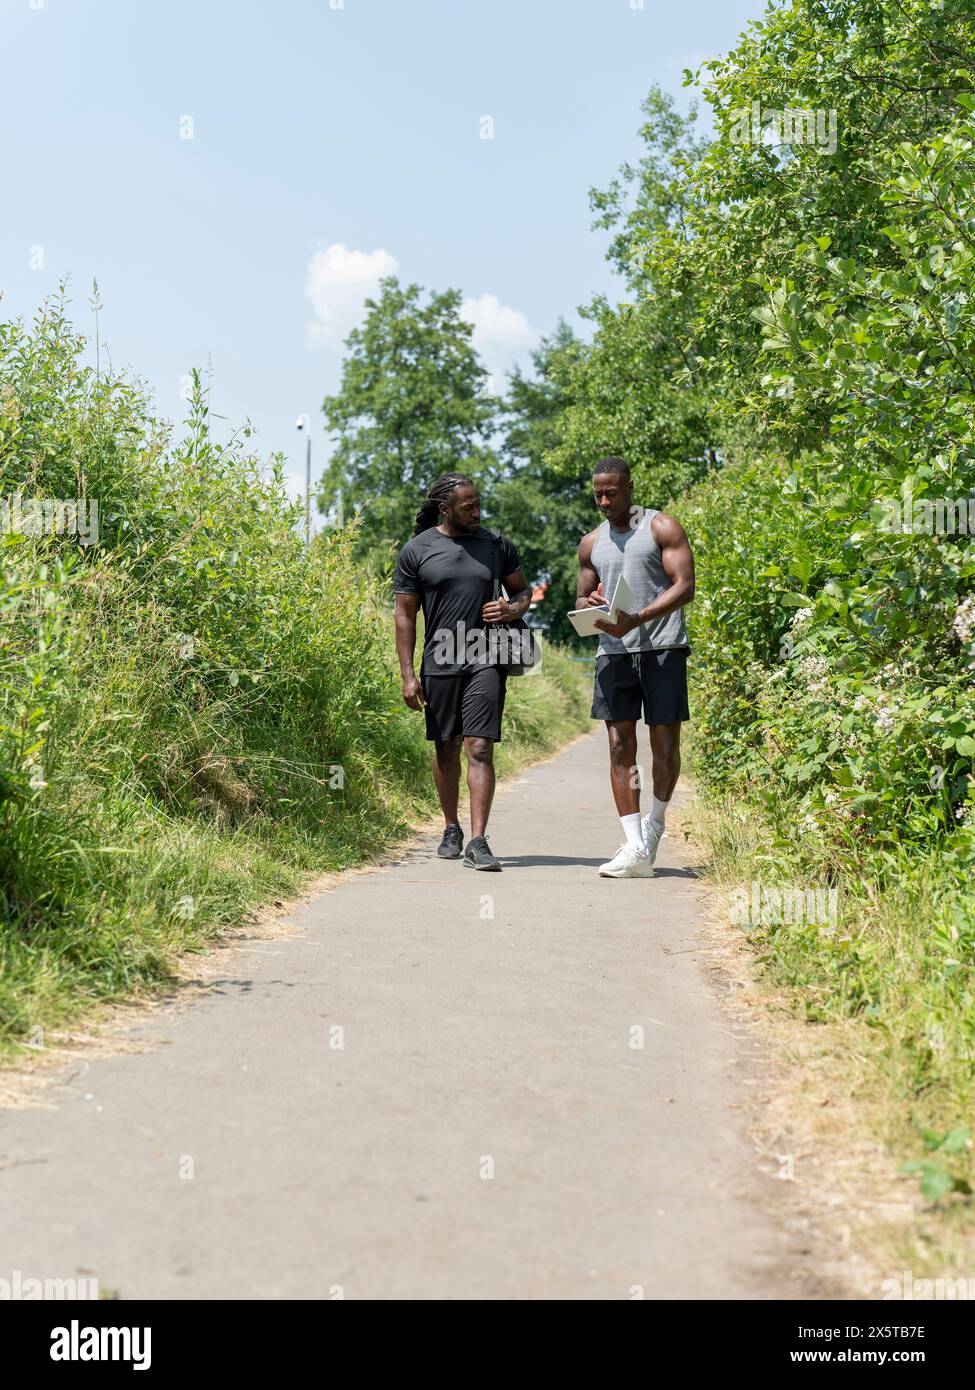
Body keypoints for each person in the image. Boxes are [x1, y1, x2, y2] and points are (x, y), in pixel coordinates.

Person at [394, 473, 532, 872]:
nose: (477, 511)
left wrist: (513, 609)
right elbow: (405, 616)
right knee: (446, 746)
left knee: (479, 746)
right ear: (445, 509)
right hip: (440, 660)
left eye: (478, 503)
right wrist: (407, 674)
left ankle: (478, 840)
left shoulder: (496, 545)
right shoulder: (417, 550)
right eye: (468, 506)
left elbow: (523, 592)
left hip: (486, 656)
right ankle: (451, 827)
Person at [575, 457, 695, 878]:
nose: (604, 501)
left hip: (663, 649)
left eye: (611, 493)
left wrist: (639, 617)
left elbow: (685, 586)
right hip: (612, 652)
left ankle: (655, 824)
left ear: (629, 487)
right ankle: (634, 845)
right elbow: (581, 598)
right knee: (619, 747)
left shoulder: (662, 528)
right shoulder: (591, 542)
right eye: (597, 495)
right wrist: (587, 604)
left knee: (664, 750)